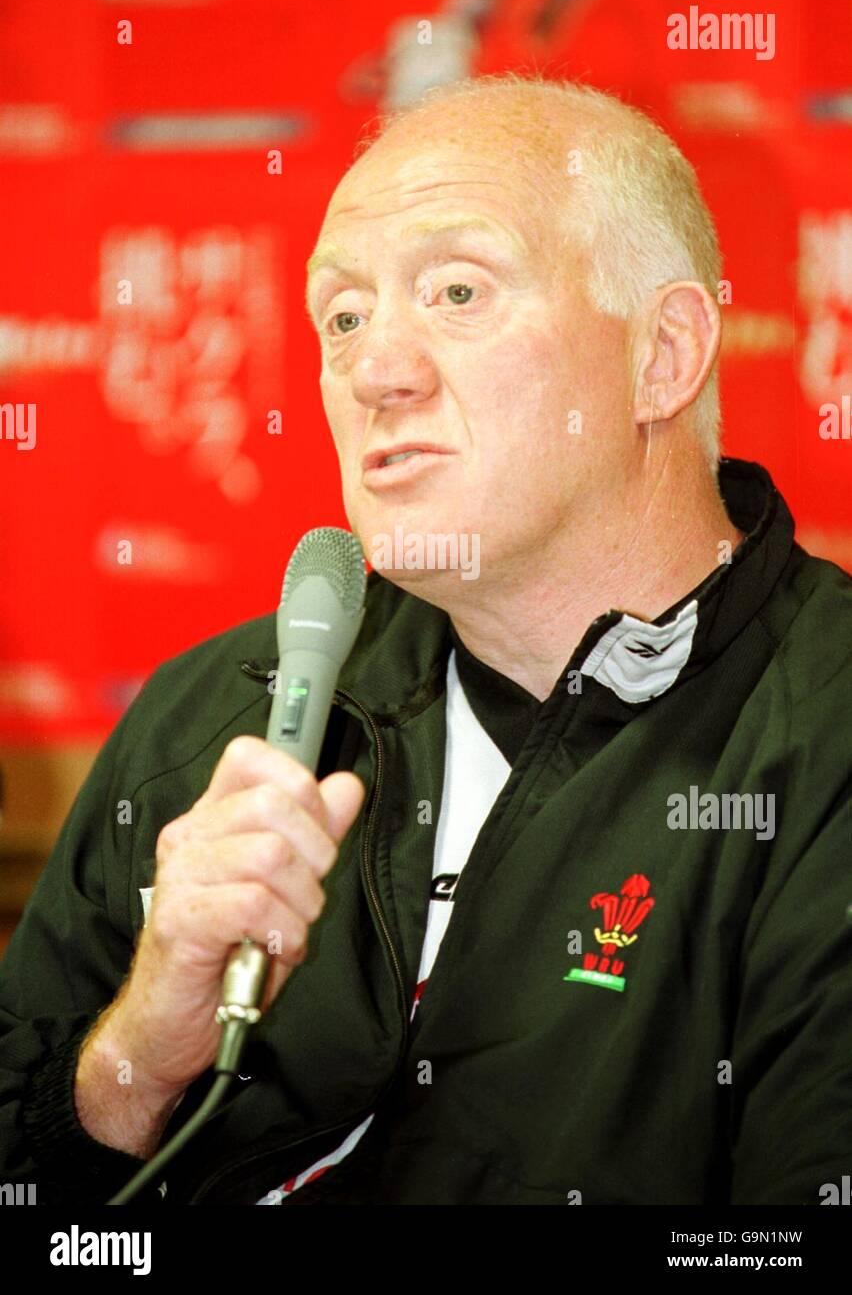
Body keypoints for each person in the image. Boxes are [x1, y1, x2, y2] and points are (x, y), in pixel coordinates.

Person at [1, 74, 850, 1206]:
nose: (374, 369)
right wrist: (129, 1065)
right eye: (343, 317)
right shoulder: (212, 722)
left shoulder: (824, 735)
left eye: (458, 290)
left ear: (664, 352)